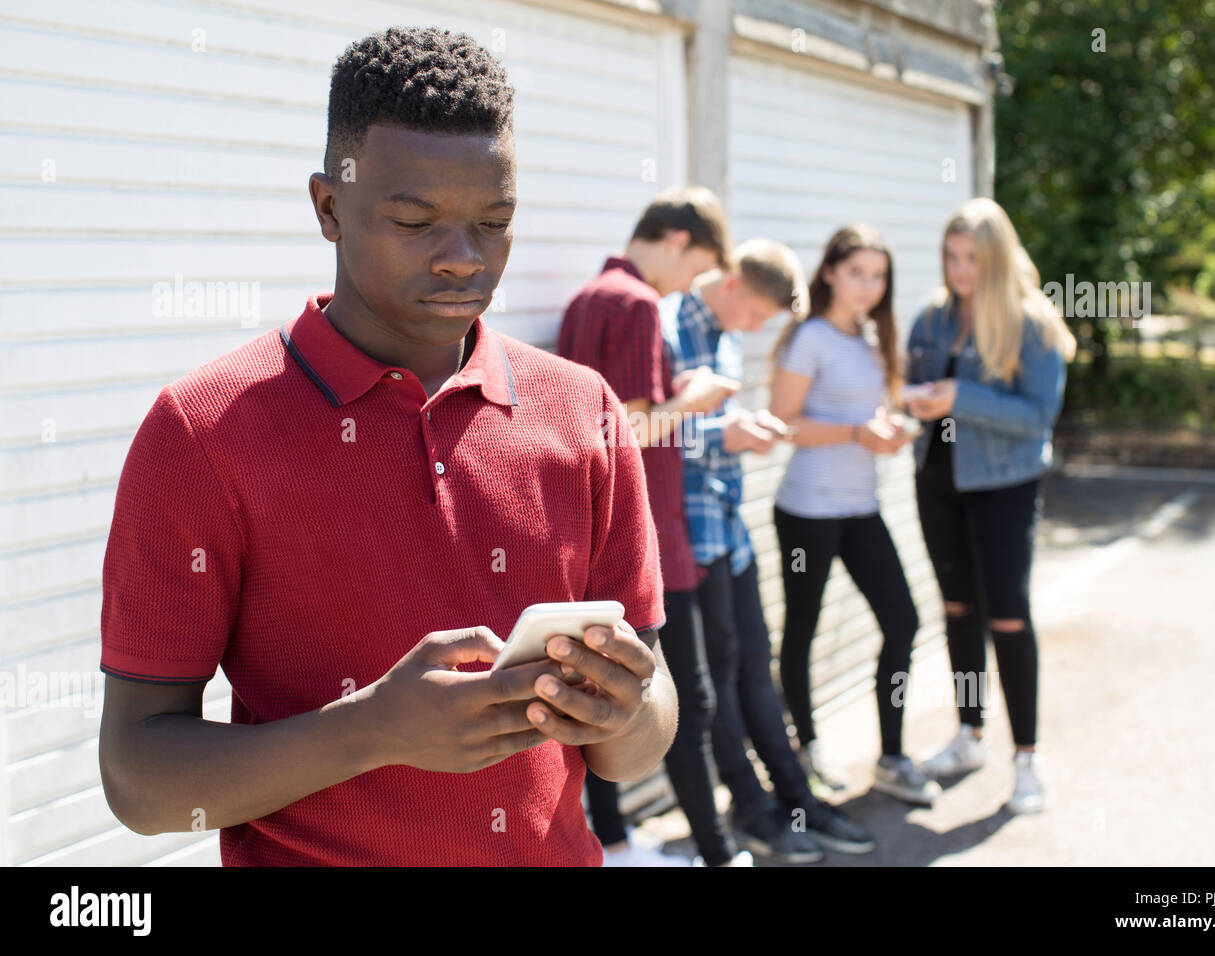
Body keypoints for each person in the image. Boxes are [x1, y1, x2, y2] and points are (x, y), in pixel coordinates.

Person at [97, 25, 679, 866]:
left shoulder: (581, 409)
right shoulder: (202, 432)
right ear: (329, 208)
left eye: (495, 220)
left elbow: (638, 745)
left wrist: (624, 709)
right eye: (415, 221)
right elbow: (141, 785)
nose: (462, 259)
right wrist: (371, 731)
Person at [661, 238, 879, 863]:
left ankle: (797, 799)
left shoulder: (725, 338)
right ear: (731, 285)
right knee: (717, 683)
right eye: (755, 316)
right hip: (690, 538)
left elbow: (701, 429)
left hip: (729, 529)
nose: (755, 330)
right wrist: (724, 433)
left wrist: (743, 430)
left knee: (757, 665)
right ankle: (754, 812)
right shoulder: (666, 324)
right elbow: (644, 430)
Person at [557, 186, 752, 867]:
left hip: (587, 536)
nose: (688, 286)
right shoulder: (638, 302)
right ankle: (717, 853)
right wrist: (694, 399)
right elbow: (633, 429)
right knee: (686, 699)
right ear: (675, 241)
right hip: (648, 537)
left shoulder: (589, 297)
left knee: (591, 700)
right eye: (695, 269)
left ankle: (612, 842)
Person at [904, 197, 1076, 815]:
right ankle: (969, 735)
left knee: (1007, 615)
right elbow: (916, 392)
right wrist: (915, 404)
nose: (959, 270)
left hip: (1004, 488)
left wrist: (958, 396)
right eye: (952, 257)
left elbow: (1037, 417)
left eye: (972, 258)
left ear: (996, 258)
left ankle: (1026, 759)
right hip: (937, 482)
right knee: (957, 611)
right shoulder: (930, 318)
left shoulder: (1034, 322)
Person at [767, 224, 938, 806]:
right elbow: (782, 423)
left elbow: (881, 412)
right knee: (802, 631)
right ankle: (806, 748)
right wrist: (855, 432)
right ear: (832, 272)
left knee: (904, 622)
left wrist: (895, 426)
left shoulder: (873, 338)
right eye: (857, 271)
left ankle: (891, 756)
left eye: (879, 275)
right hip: (807, 511)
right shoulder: (808, 337)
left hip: (862, 508)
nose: (868, 285)